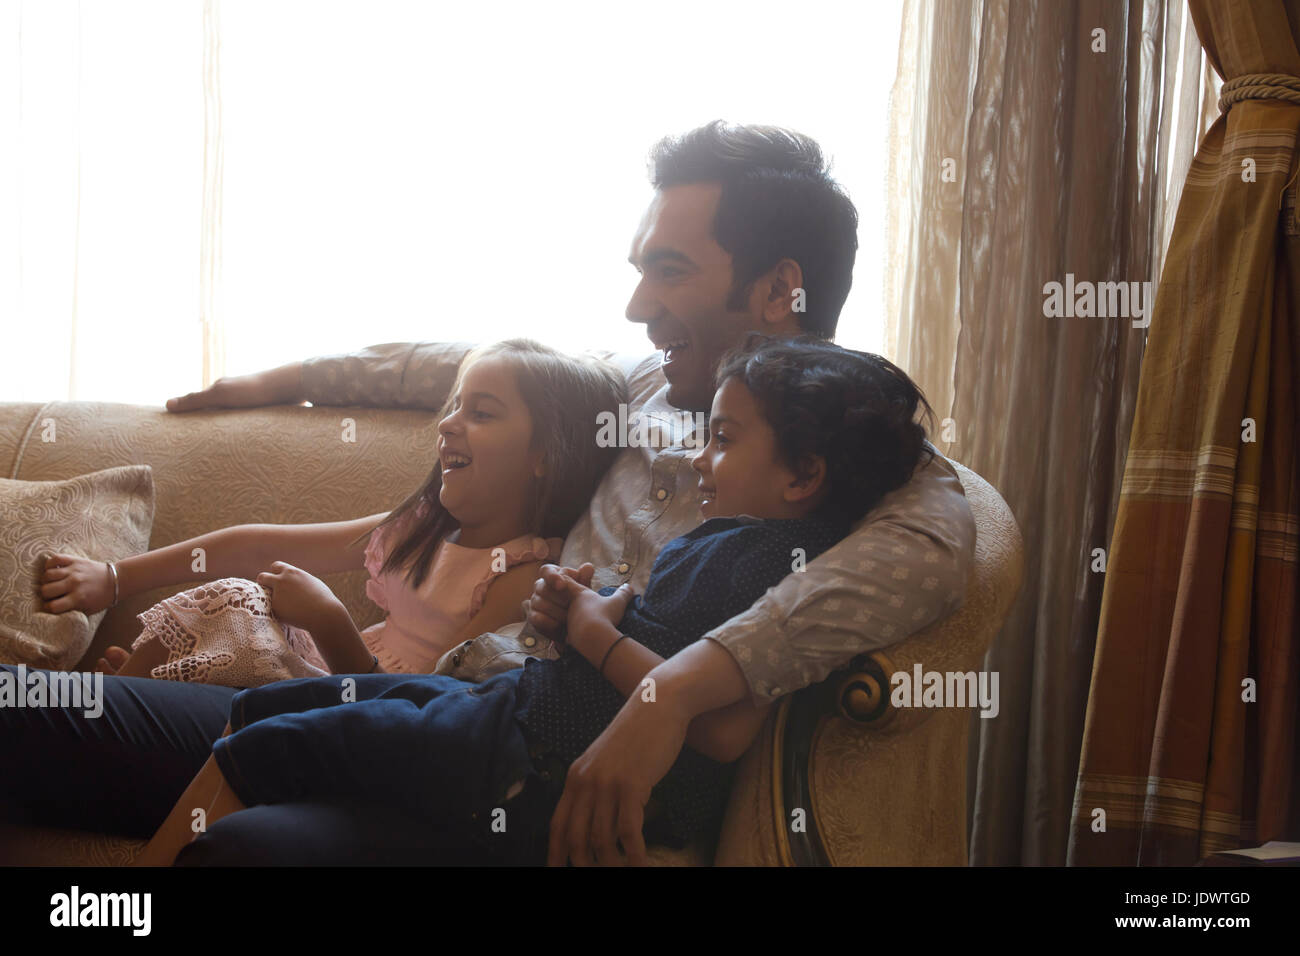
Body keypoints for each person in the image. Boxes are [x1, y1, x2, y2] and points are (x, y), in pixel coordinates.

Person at [0, 121, 976, 866]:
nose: (637, 307)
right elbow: (449, 363)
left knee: (250, 848)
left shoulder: (846, 453)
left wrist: (667, 690)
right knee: (27, 707)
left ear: (779, 291)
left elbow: (944, 534)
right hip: (443, 700)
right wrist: (275, 381)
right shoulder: (641, 387)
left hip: (522, 770)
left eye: (667, 272)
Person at [130, 336, 936, 866]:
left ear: (803, 476)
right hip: (510, 716)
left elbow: (724, 730)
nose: (699, 457)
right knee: (278, 713)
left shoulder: (774, 566)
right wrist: (594, 610)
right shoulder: (739, 536)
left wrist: (593, 635)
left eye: (724, 441)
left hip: (521, 749)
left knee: (266, 736)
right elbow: (673, 652)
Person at [34, 340, 625, 687]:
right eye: (455, 407)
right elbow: (257, 547)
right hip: (333, 675)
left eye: (483, 414)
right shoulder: (422, 527)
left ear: (545, 457)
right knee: (241, 596)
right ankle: (143, 682)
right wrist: (114, 579)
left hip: (364, 712)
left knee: (241, 613)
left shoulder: (519, 577)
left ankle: (133, 691)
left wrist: (330, 619)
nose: (448, 425)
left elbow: (429, 717)